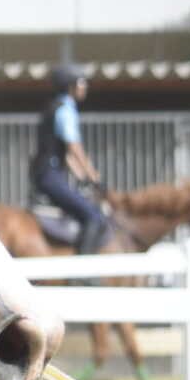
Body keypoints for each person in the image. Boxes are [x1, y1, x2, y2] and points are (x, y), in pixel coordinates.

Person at [32, 61, 109, 256]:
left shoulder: (56, 107)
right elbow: (74, 148)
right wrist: (94, 177)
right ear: (70, 86)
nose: (85, 87)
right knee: (93, 217)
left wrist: (81, 176)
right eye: (81, 83)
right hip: (50, 176)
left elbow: (65, 154)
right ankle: (82, 273)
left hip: (48, 174)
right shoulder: (65, 110)